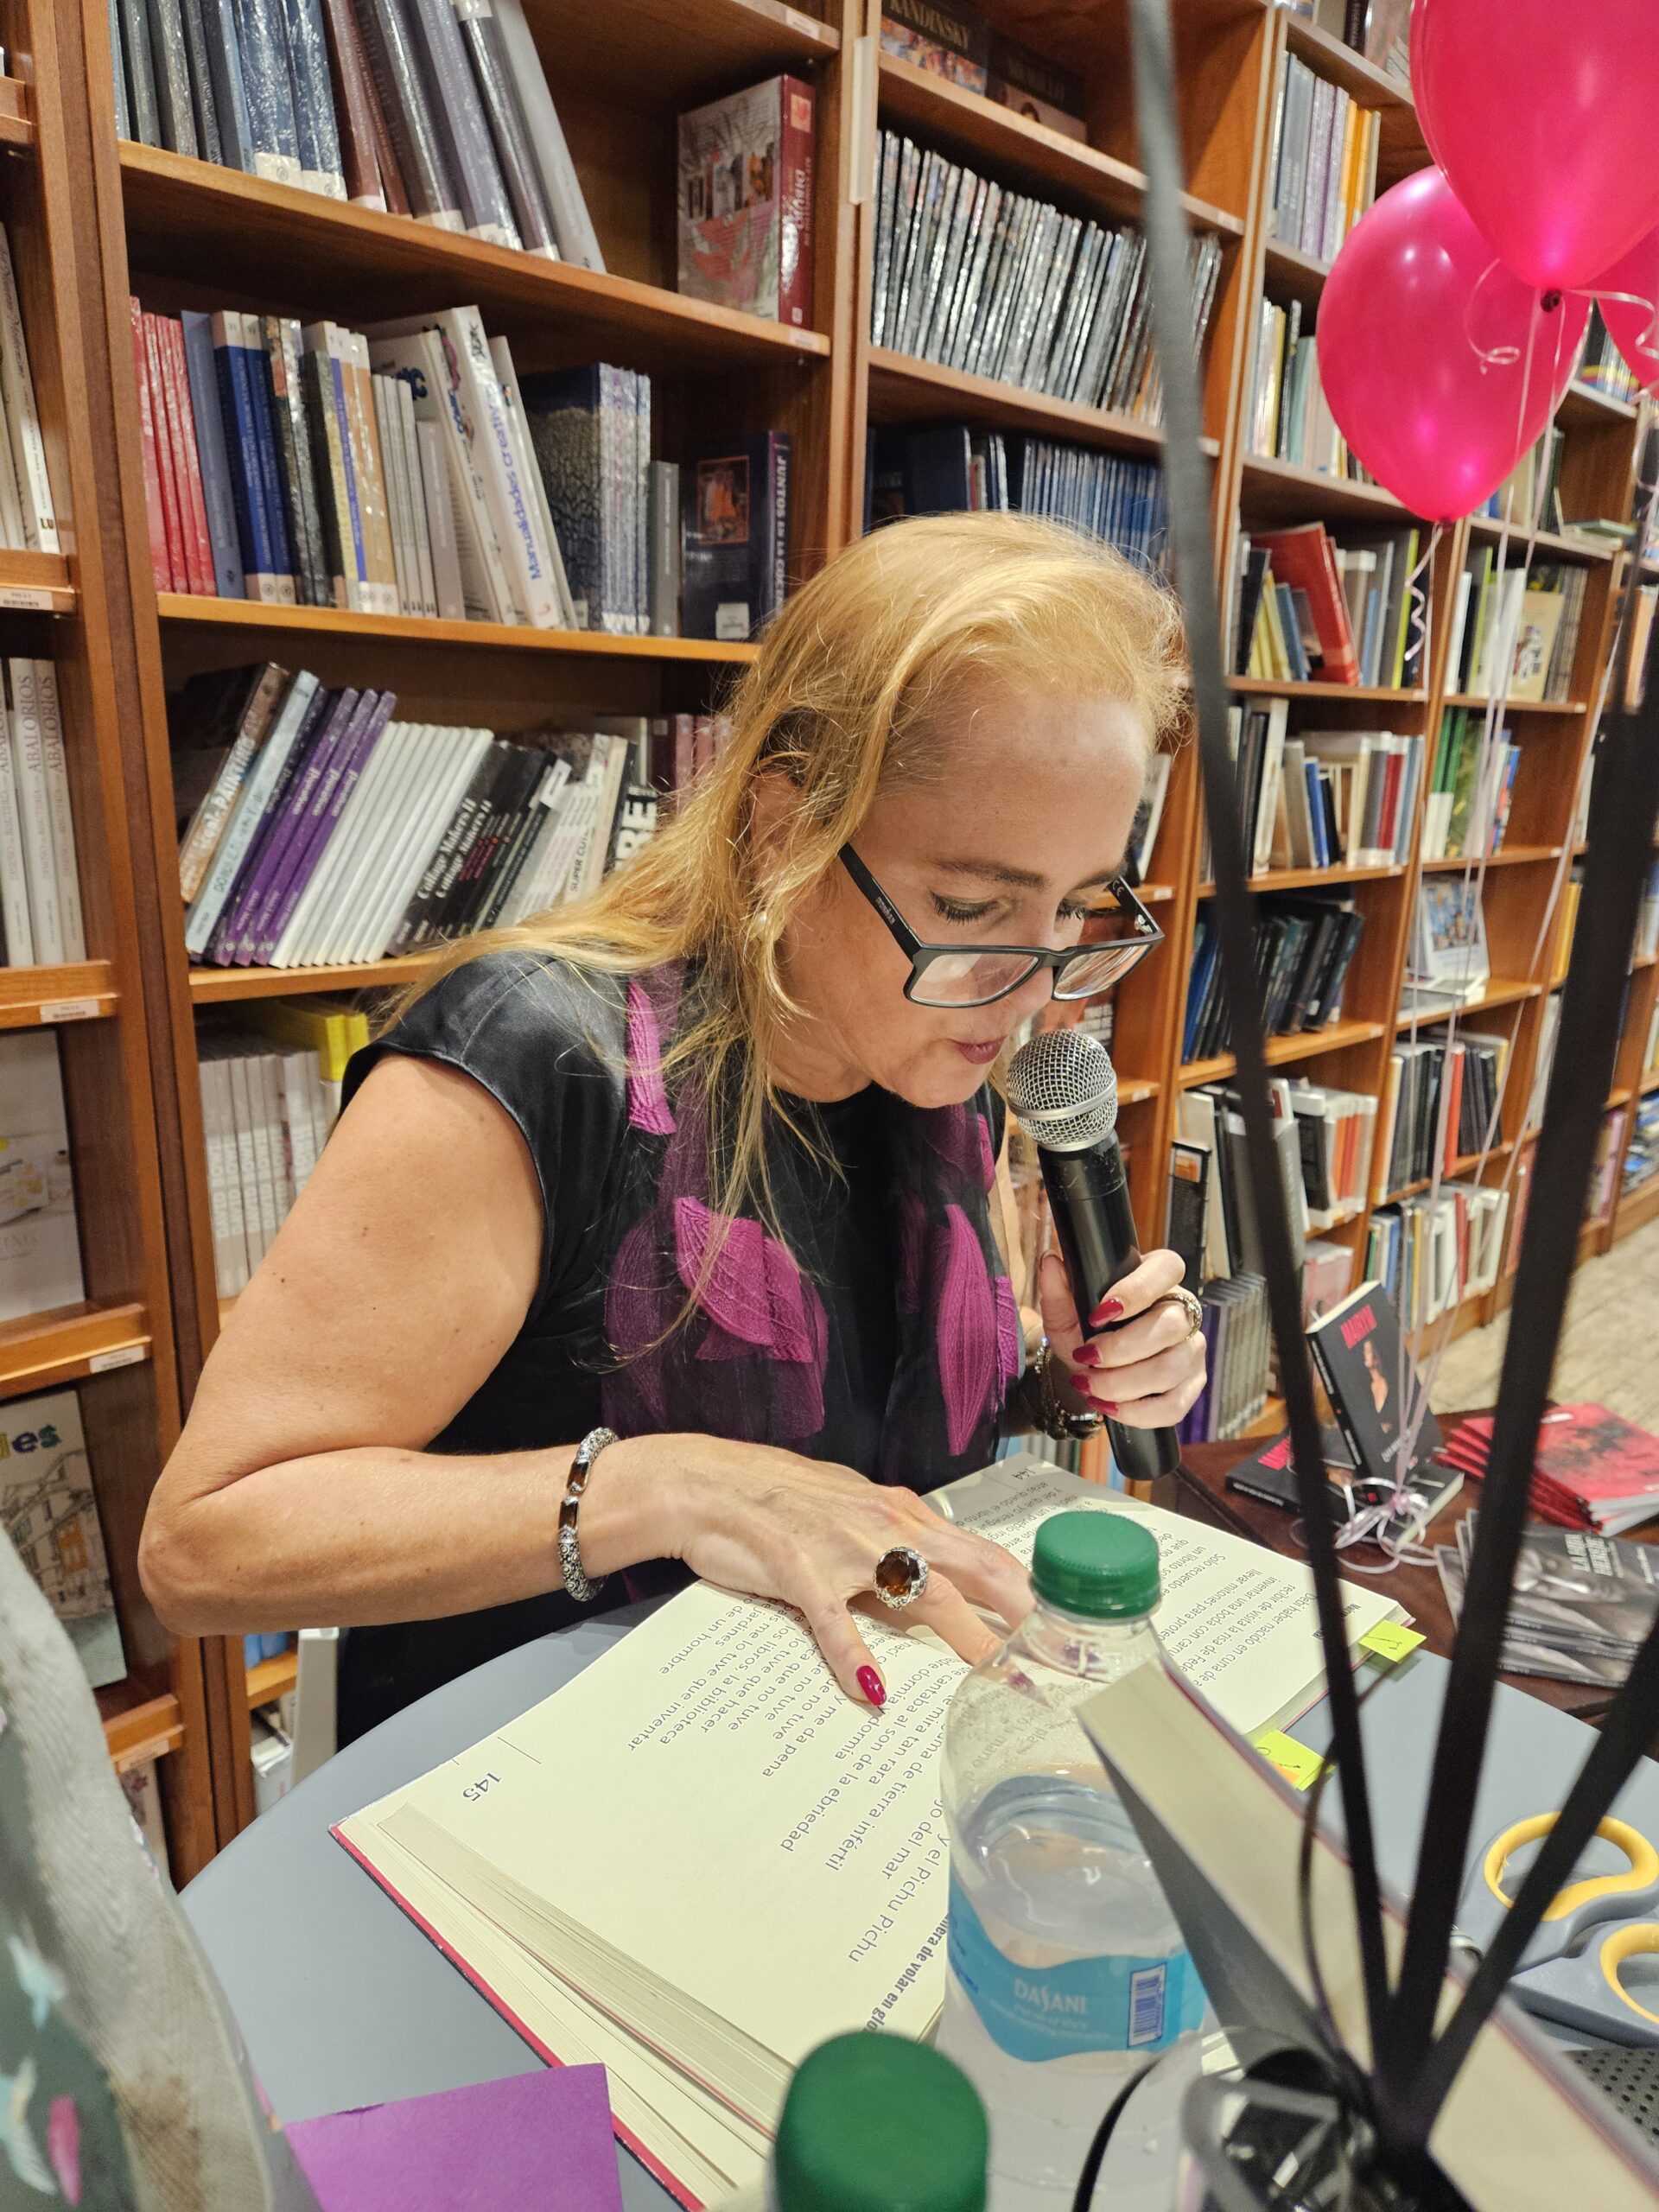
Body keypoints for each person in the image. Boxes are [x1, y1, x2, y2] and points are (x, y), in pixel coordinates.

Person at [139, 513, 1207, 1741]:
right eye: (970, 907)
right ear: (785, 830)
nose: (1030, 996)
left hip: (838, 1760)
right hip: (536, 1779)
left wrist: (1063, 1378)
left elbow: (861, 1444)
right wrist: (663, 1487)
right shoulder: (536, 1061)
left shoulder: (935, 1048)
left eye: (1077, 911)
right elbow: (204, 1545)